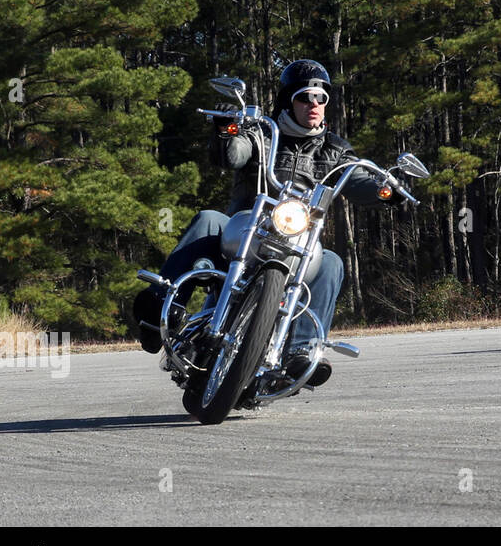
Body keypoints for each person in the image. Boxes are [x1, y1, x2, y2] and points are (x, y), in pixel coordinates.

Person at [132, 59, 402, 387]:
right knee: (208, 219)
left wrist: (386, 189)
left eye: (321, 98)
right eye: (305, 97)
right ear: (289, 99)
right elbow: (234, 154)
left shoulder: (335, 151)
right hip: (244, 230)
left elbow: (358, 179)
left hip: (296, 242)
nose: (314, 104)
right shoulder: (262, 132)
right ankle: (160, 305)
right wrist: (225, 130)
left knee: (331, 262)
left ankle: (300, 351)